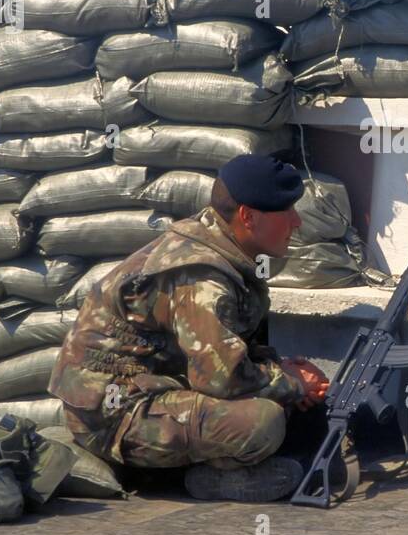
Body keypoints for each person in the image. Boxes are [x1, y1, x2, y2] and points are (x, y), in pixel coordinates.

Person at [48, 155, 330, 502]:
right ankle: (206, 479)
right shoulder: (200, 276)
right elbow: (220, 379)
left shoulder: (221, 245)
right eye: (286, 212)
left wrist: (281, 371)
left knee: (289, 406)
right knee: (263, 422)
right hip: (113, 413)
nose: (297, 222)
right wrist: (292, 383)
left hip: (154, 389)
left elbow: (221, 350)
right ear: (248, 217)